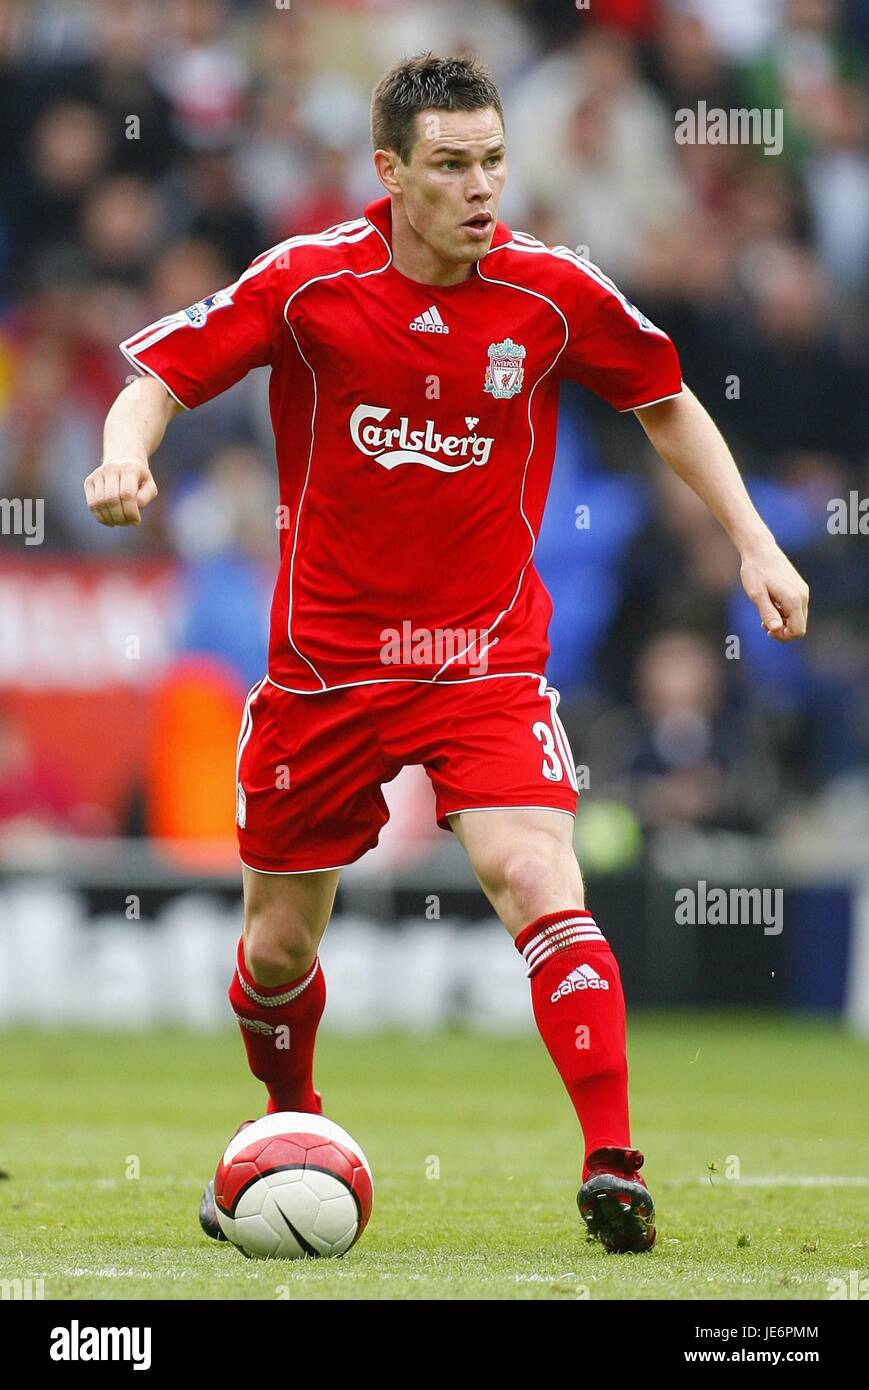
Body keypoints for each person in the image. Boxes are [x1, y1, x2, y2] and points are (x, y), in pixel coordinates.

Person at [85, 54, 809, 1254]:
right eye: (451, 167)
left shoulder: (549, 291)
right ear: (389, 172)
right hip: (322, 672)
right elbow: (155, 373)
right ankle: (292, 1126)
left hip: (482, 662)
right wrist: (124, 456)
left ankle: (610, 1160)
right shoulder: (312, 282)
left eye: (492, 162)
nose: (481, 189)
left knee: (536, 876)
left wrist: (754, 543)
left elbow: (666, 397)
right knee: (275, 948)